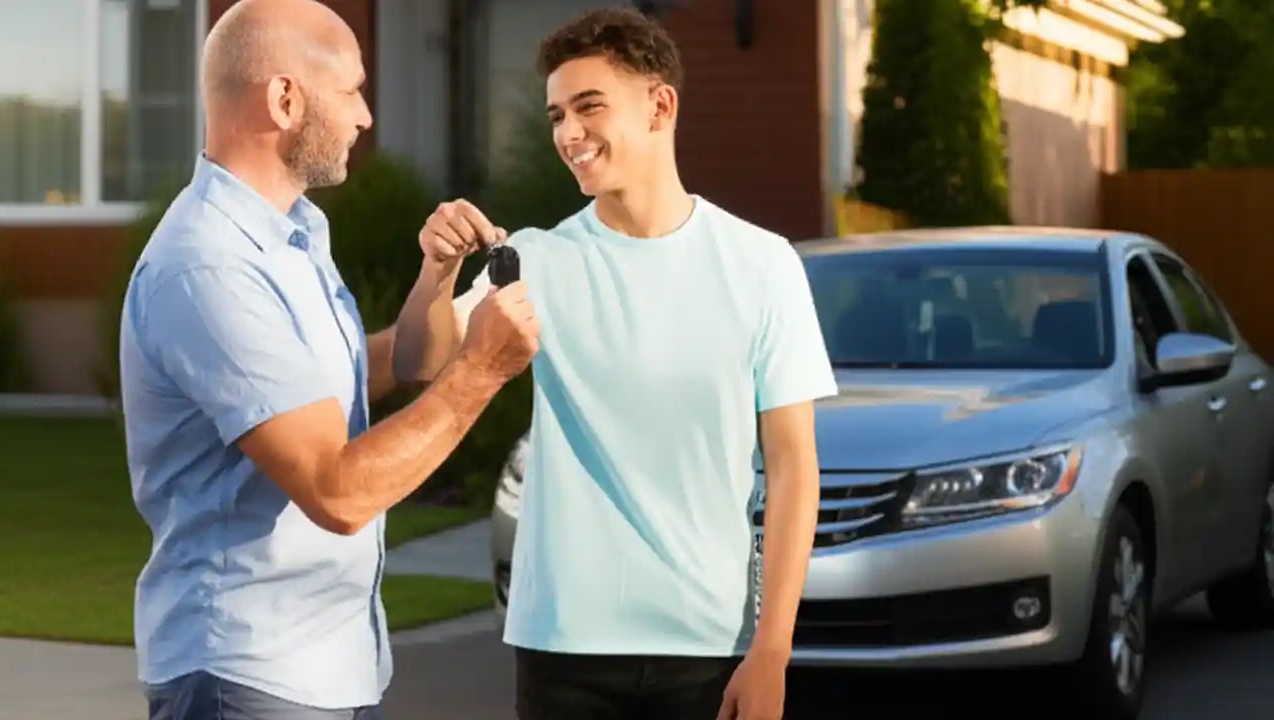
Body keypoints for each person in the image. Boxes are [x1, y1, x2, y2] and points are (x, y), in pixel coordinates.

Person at [393, 6, 837, 718]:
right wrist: (436, 274)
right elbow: (421, 360)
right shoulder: (535, 259)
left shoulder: (761, 265)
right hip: (563, 644)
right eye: (556, 115)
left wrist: (772, 652)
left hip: (709, 645)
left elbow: (792, 468)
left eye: (589, 107)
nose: (569, 133)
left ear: (660, 105)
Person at [118, 0, 538, 717]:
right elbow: (336, 493)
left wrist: (439, 284)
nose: (365, 117)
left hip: (324, 670)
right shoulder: (209, 267)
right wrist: (485, 370)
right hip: (247, 678)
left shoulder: (293, 235)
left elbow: (386, 368)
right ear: (285, 99)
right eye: (350, 91)